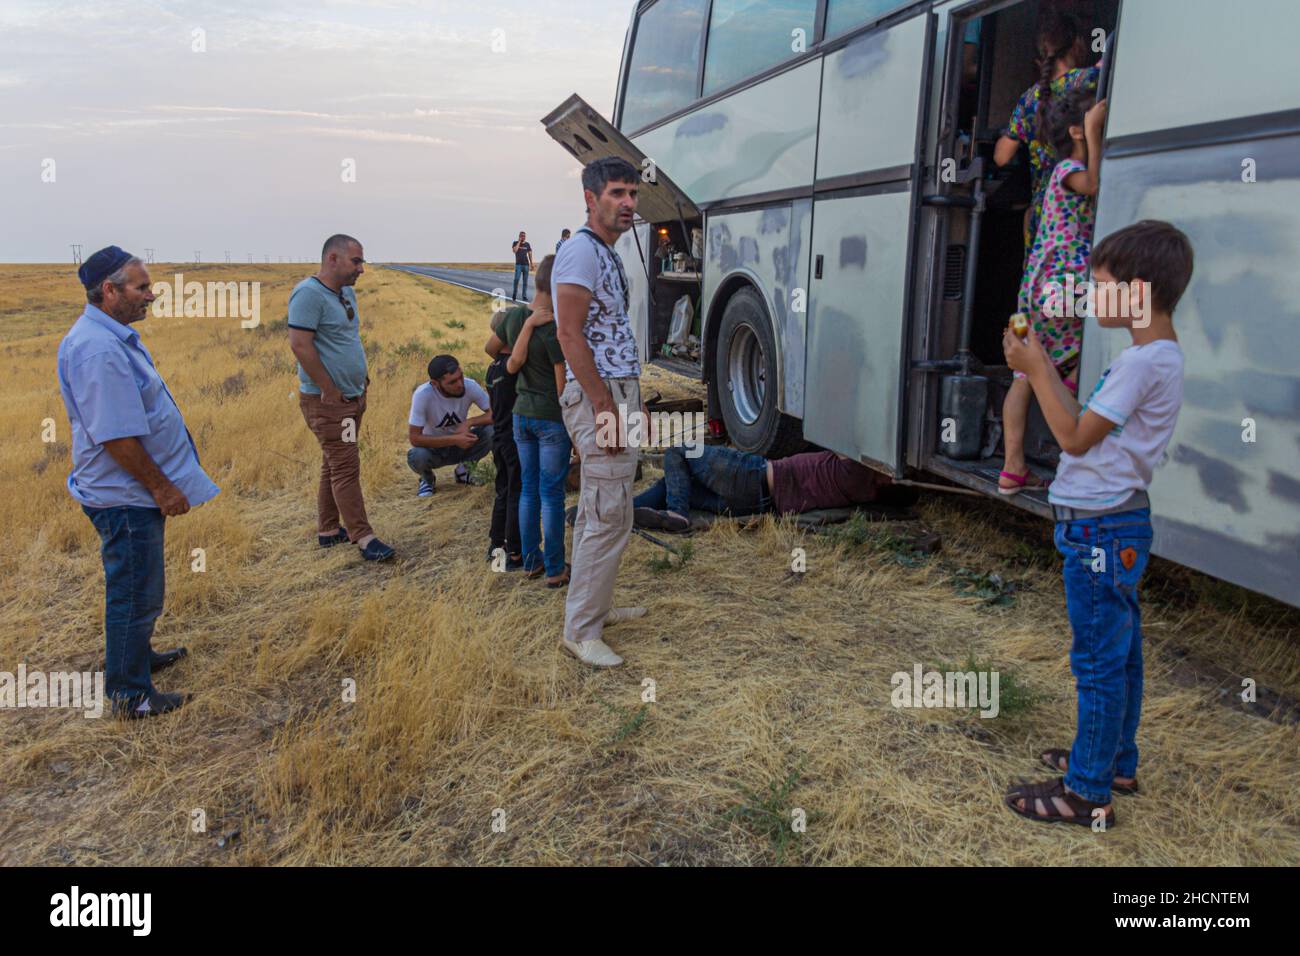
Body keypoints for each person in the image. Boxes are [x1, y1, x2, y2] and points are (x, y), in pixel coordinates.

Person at [1002, 220, 1194, 828]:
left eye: (1100, 285)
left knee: (1098, 663)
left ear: (1136, 290)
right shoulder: (1154, 356)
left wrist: (1036, 368)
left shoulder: (1142, 364)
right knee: (1122, 655)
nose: (1089, 294)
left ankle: (1086, 792)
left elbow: (1073, 436)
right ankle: (1113, 761)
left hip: (1101, 532)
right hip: (1118, 525)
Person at [57, 246, 219, 718]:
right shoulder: (98, 348)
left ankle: (137, 658)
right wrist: (161, 487)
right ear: (109, 291)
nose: (152, 294)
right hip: (123, 494)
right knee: (134, 590)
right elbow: (116, 437)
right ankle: (129, 694)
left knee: (141, 586)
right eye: (142, 287)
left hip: (129, 492)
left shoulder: (112, 335)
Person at [553, 156, 647, 667]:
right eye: (616, 193)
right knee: (607, 510)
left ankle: (595, 606)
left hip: (616, 391)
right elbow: (569, 334)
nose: (628, 203)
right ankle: (581, 631)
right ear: (590, 199)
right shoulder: (579, 253)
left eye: (632, 193)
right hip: (600, 395)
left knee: (609, 506)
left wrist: (634, 402)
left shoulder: (604, 253)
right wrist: (606, 405)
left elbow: (613, 336)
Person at [1000, 92, 1107, 495]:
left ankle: (1013, 468)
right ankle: (1078, 457)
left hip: (1035, 286)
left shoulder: (1059, 173)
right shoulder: (1068, 168)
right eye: (1090, 122)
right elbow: (1094, 183)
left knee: (1025, 374)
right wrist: (1095, 131)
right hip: (1063, 284)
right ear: (1077, 130)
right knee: (1084, 362)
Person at [289, 234, 395, 562]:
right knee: (346, 465)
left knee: (333, 462)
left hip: (351, 396)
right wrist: (329, 389)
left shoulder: (346, 293)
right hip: (329, 403)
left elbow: (347, 338)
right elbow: (300, 345)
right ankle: (363, 536)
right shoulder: (308, 294)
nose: (362, 268)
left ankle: (328, 529)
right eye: (356, 261)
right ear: (332, 259)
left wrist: (358, 379)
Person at [993, 9, 1100, 252]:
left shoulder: (1029, 98)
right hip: (1078, 206)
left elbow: (1001, 157)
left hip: (1043, 212)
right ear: (1076, 45)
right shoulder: (1090, 79)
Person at [634, 447, 917, 531]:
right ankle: (625, 512)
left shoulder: (855, 470)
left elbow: (837, 425)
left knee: (677, 454)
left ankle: (678, 515)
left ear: (889, 481)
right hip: (758, 505)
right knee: (674, 482)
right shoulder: (863, 492)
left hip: (751, 474)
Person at [502, 255, 571, 587]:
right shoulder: (554, 328)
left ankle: (531, 561)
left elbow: (501, 355)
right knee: (552, 494)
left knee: (528, 490)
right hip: (549, 419)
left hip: (520, 415)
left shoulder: (515, 316)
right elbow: (561, 384)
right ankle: (556, 568)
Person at [406, 355, 493, 495]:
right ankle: (427, 479)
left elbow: (496, 414)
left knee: (493, 431)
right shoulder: (422, 395)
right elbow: (414, 438)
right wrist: (455, 439)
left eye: (461, 377)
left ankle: (464, 472)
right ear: (435, 384)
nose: (460, 384)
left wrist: (470, 422)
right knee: (416, 455)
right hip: (434, 449)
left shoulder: (470, 385)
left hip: (463, 445)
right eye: (452, 382)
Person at [483, 301, 523, 570]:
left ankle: (495, 544)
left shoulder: (492, 368)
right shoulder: (513, 366)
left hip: (499, 436)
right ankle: (513, 549)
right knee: (516, 493)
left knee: (503, 491)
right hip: (512, 437)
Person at [511, 230, 533, 301]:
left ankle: (524, 296)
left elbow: (530, 254)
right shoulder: (515, 243)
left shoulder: (527, 244)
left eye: (524, 236)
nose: (523, 237)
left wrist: (531, 263)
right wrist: (519, 242)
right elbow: (515, 251)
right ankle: (514, 294)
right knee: (516, 280)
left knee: (525, 281)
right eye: (522, 236)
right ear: (519, 236)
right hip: (518, 265)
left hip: (526, 265)